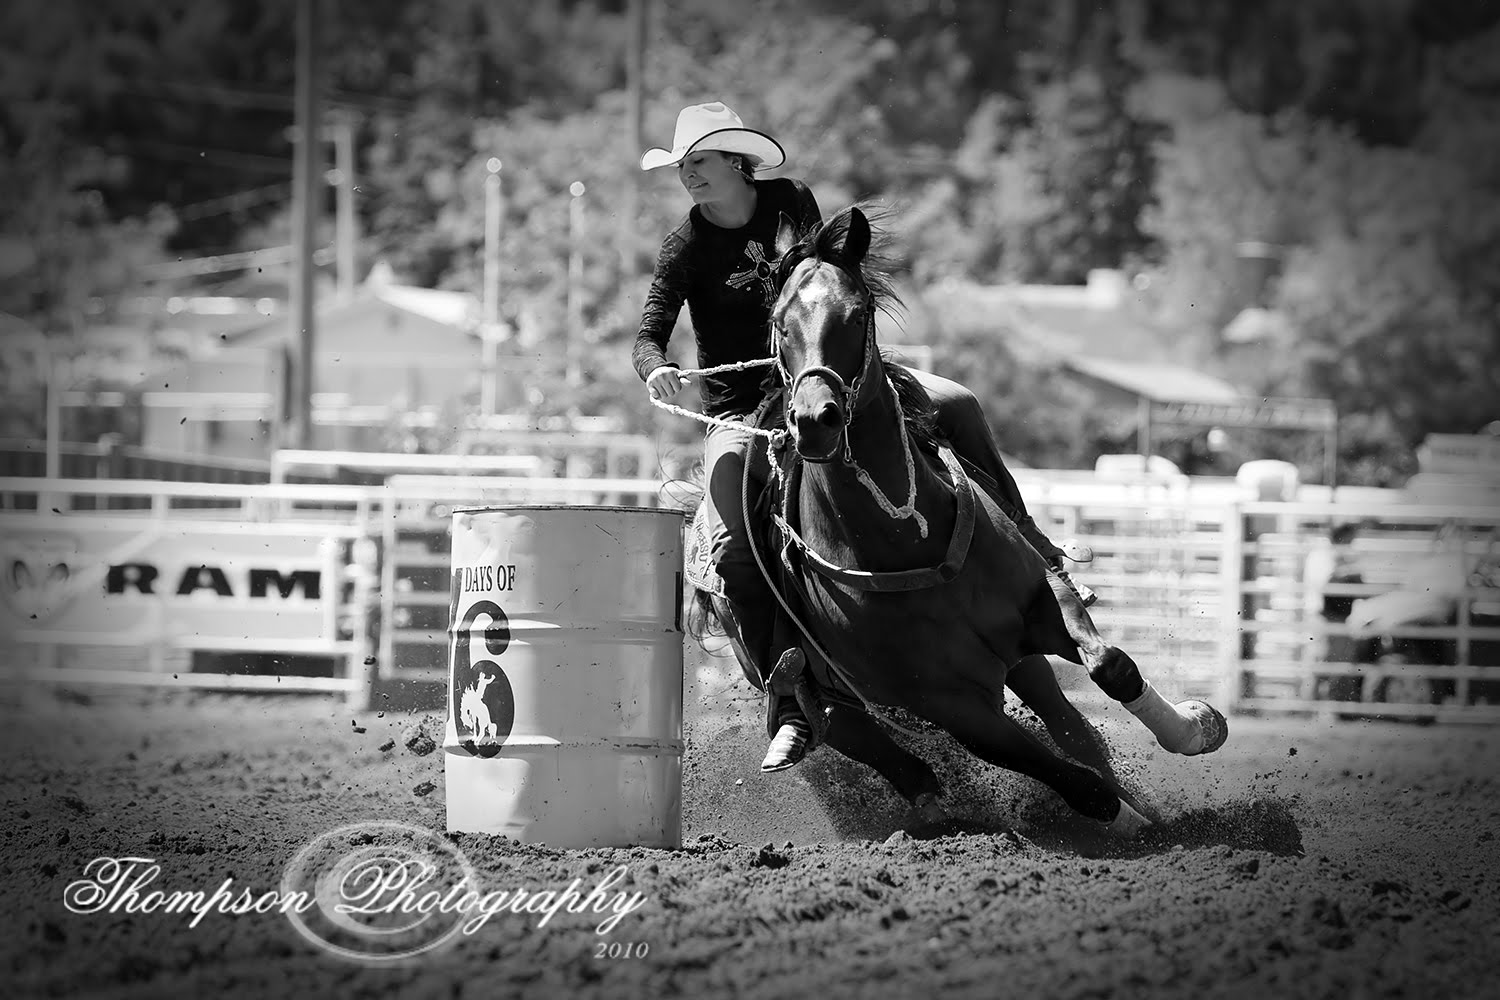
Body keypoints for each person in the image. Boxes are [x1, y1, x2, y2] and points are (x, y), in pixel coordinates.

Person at [633, 101, 1092, 772]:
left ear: (736, 162)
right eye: (684, 167)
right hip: (745, 411)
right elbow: (650, 330)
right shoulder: (685, 247)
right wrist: (659, 370)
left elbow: (830, 276)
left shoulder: (790, 201)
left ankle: (1035, 551)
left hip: (830, 377)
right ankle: (788, 697)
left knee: (959, 404)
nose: (689, 177)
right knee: (730, 543)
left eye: (698, 163)